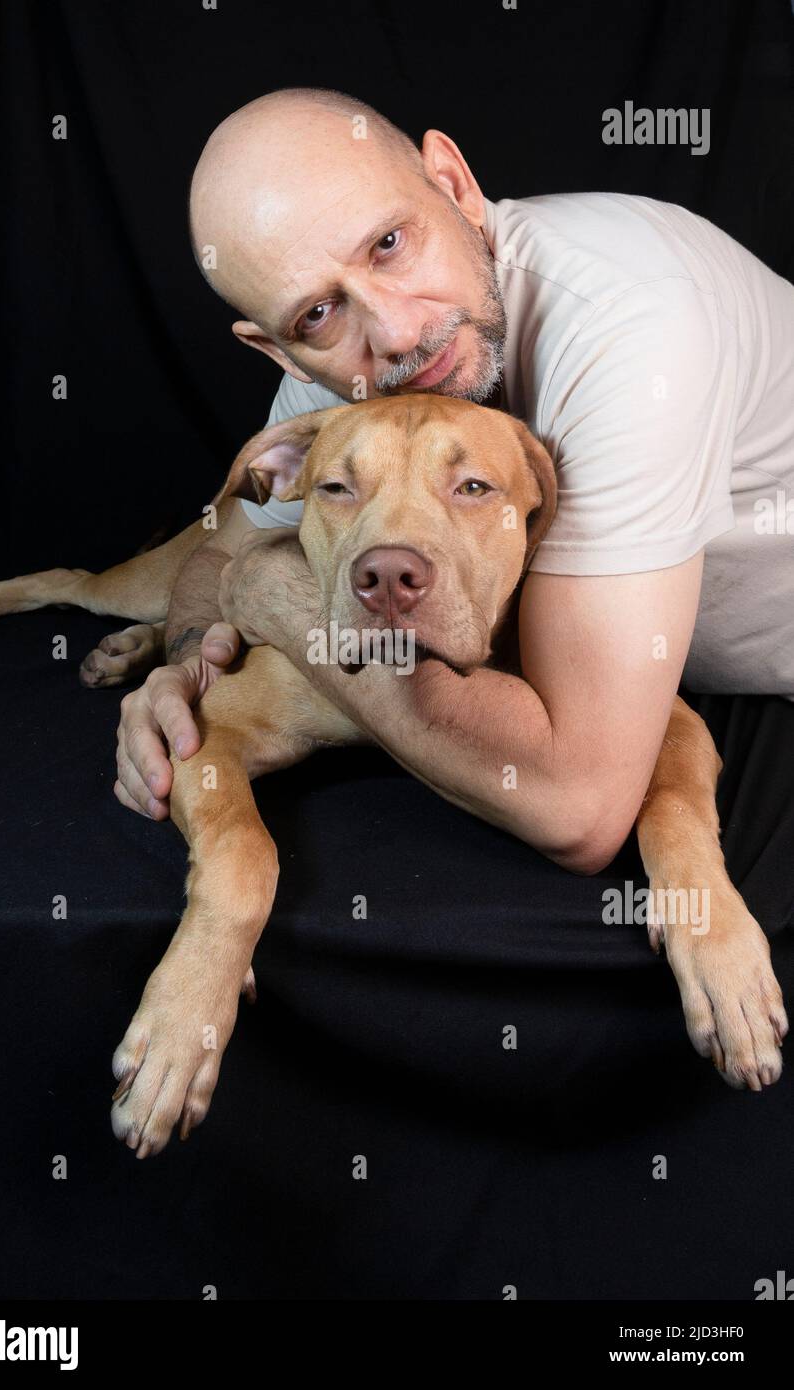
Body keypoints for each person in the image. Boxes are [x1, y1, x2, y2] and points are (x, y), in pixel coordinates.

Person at [113, 86, 794, 874]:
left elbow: (578, 808)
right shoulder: (346, 375)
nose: (396, 332)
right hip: (637, 674)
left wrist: (277, 597)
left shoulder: (631, 325)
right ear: (278, 351)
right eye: (315, 316)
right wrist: (187, 671)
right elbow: (218, 553)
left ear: (453, 183)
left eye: (389, 243)